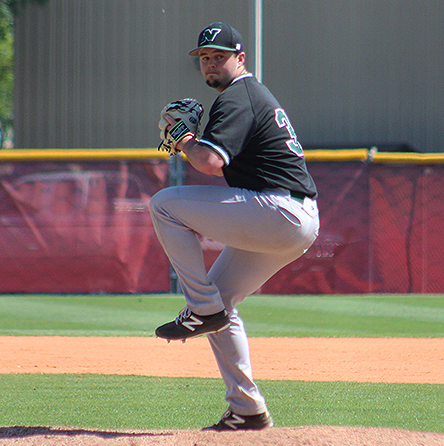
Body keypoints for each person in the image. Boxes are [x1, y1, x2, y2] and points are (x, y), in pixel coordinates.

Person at [149, 22, 320, 431]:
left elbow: (209, 163)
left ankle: (201, 308)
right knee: (223, 307)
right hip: (290, 217)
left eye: (219, 56)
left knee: (163, 205)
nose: (210, 63)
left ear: (240, 59)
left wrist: (184, 138)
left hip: (277, 210)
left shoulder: (239, 95)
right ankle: (247, 408)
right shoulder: (245, 95)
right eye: (205, 57)